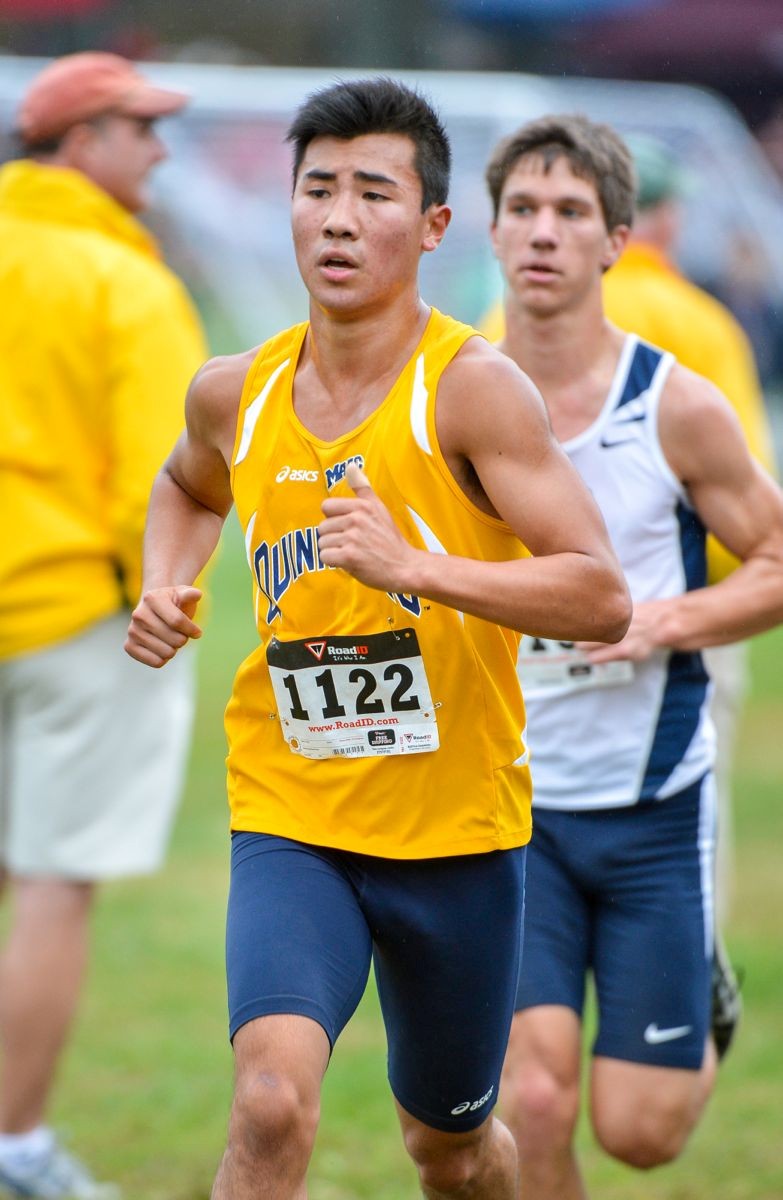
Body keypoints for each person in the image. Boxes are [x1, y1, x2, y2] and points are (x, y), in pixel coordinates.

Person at [125, 77, 631, 1200]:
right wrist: (169, 583)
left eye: (372, 192)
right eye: (318, 190)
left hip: (454, 832)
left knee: (448, 1152)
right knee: (267, 1106)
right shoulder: (235, 393)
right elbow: (185, 485)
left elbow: (602, 595)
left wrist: (416, 569)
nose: (340, 218)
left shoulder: (474, 392)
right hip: (291, 807)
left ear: (434, 226)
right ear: (290, 209)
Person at [484, 114, 783, 1199]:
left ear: (619, 238)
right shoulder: (451, 397)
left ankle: (699, 989)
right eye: (523, 209)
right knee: (537, 1098)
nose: (544, 234)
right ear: (490, 227)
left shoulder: (676, 405)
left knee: (641, 1132)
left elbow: (777, 559)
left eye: (571, 213)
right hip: (511, 807)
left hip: (656, 801)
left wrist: (664, 621)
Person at [0, 52, 208, 1199]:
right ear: (82, 144)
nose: (162, 150)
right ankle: (16, 1141)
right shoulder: (121, 278)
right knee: (52, 882)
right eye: (143, 128)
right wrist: (166, 600)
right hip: (74, 616)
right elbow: (170, 472)